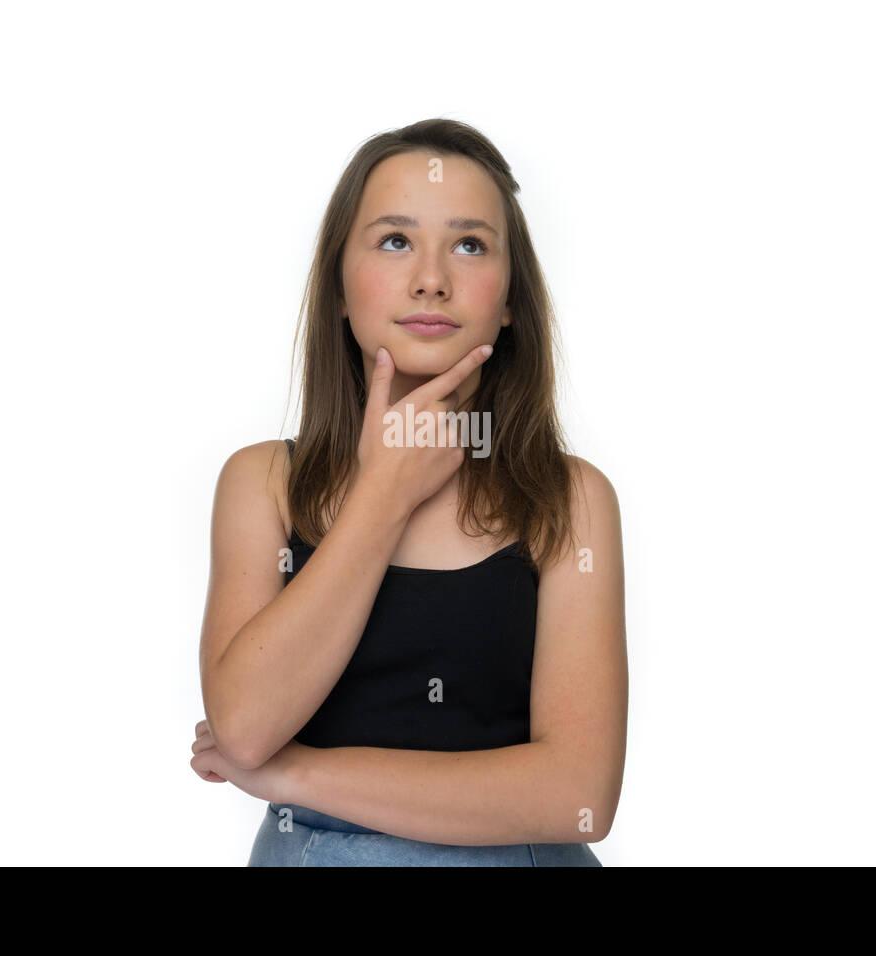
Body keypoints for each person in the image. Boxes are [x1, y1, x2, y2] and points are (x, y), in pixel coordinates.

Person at [190, 118, 627, 865]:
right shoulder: (261, 485)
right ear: (337, 286)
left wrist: (294, 774)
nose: (431, 278)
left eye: (470, 244)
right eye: (395, 240)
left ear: (511, 298)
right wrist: (384, 494)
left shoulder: (571, 500)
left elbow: (576, 796)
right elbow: (246, 725)